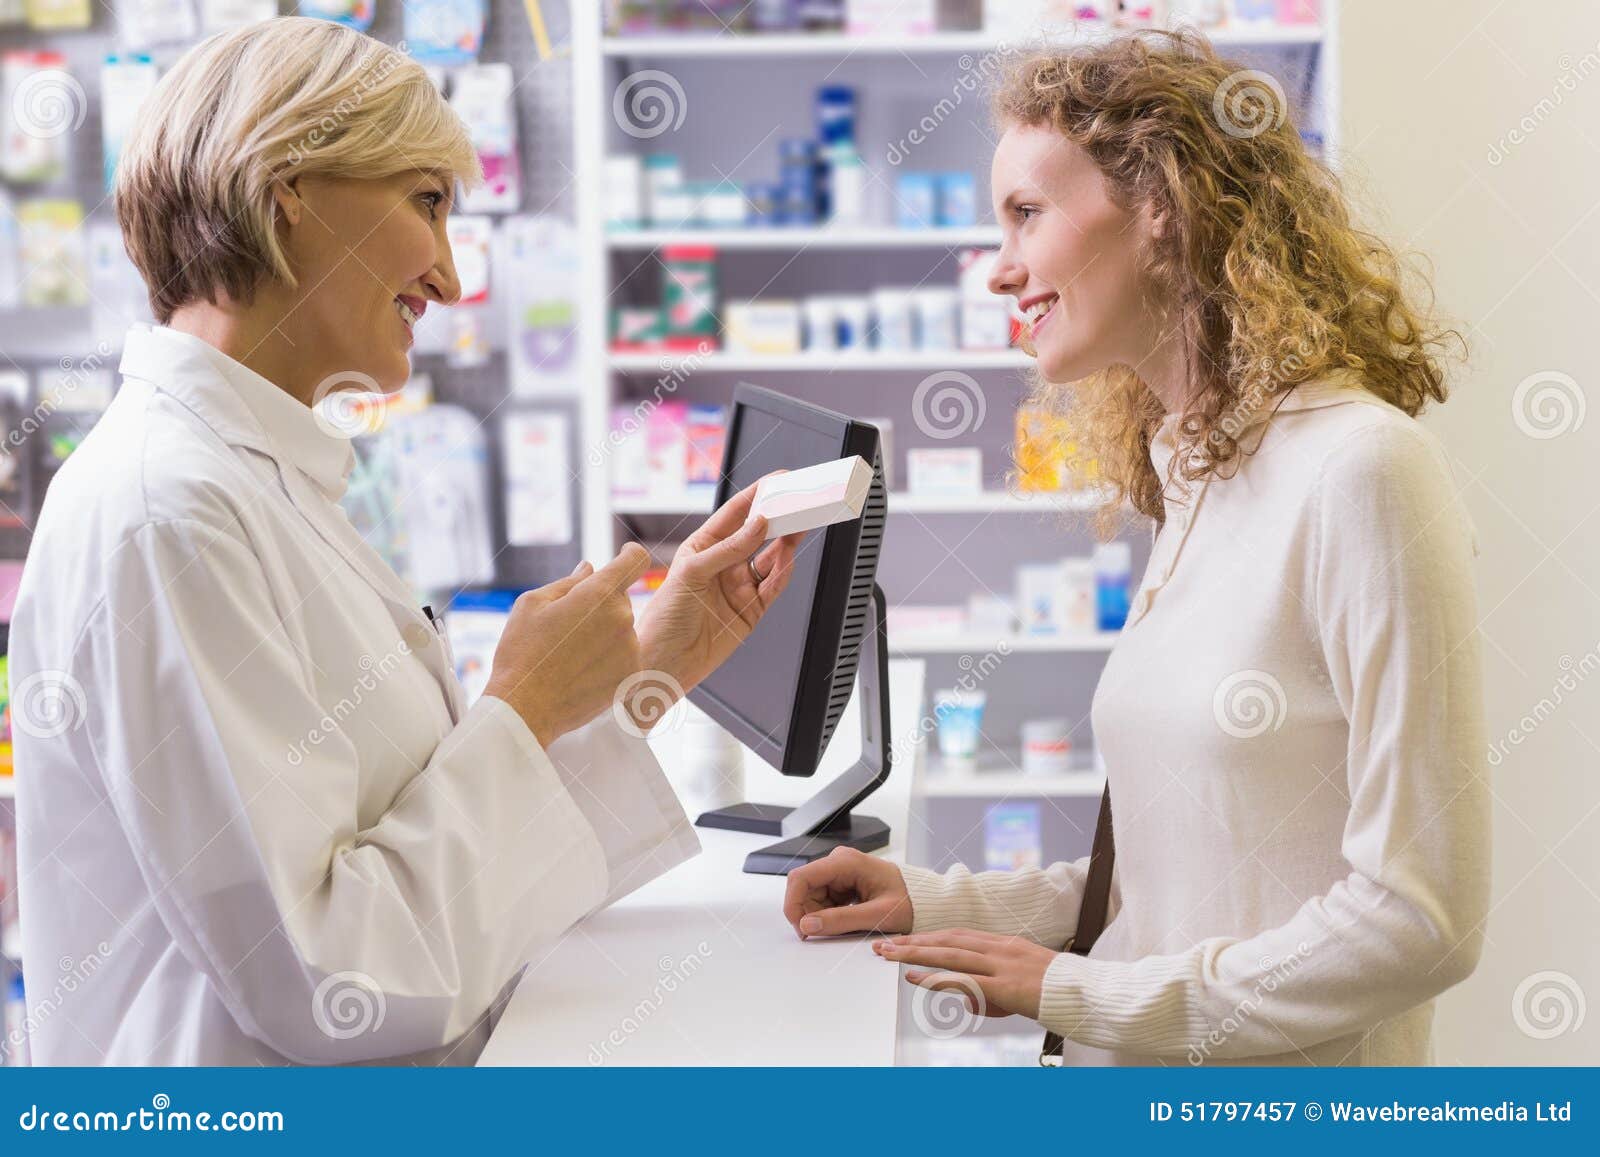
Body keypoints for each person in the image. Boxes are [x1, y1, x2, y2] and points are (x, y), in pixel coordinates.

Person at [8, 17, 803, 1066]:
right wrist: (520, 705)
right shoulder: (170, 511)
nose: (451, 277)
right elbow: (330, 977)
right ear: (285, 187)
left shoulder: (255, 477)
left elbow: (404, 854)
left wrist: (653, 665)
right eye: (425, 201)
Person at [784, 30, 1490, 1067]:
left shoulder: (1361, 471)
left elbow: (1420, 917)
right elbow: (1182, 872)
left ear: (1162, 207)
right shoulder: (1197, 472)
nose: (998, 269)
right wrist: (942, 898)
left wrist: (1082, 993)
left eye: (1027, 213)